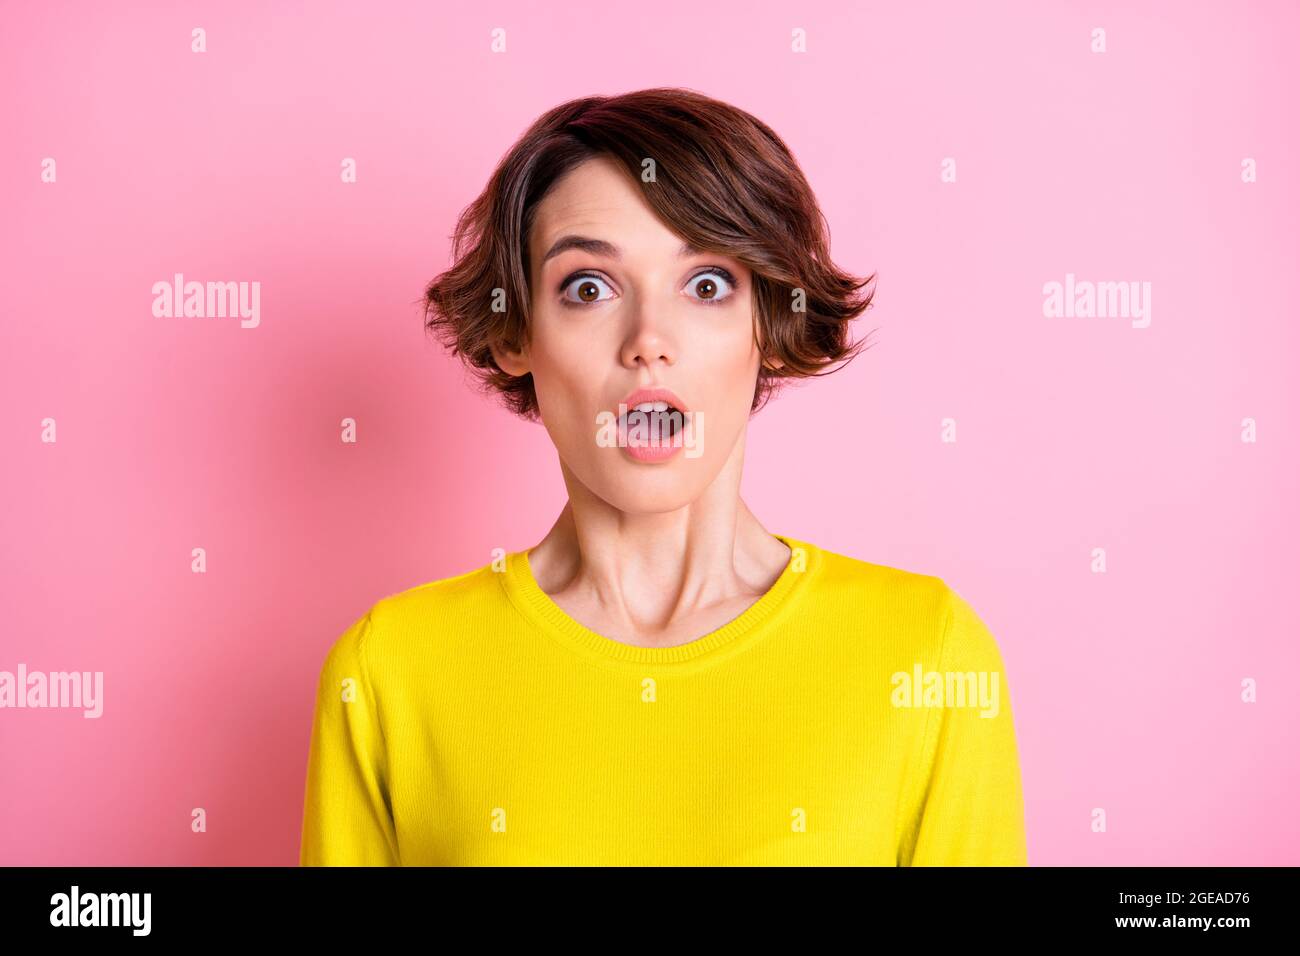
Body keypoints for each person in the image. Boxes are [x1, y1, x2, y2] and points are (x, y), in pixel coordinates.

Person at [299, 87, 1027, 866]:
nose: (648, 342)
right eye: (588, 288)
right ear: (517, 335)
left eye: (707, 285)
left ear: (771, 327)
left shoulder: (927, 655)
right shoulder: (388, 674)